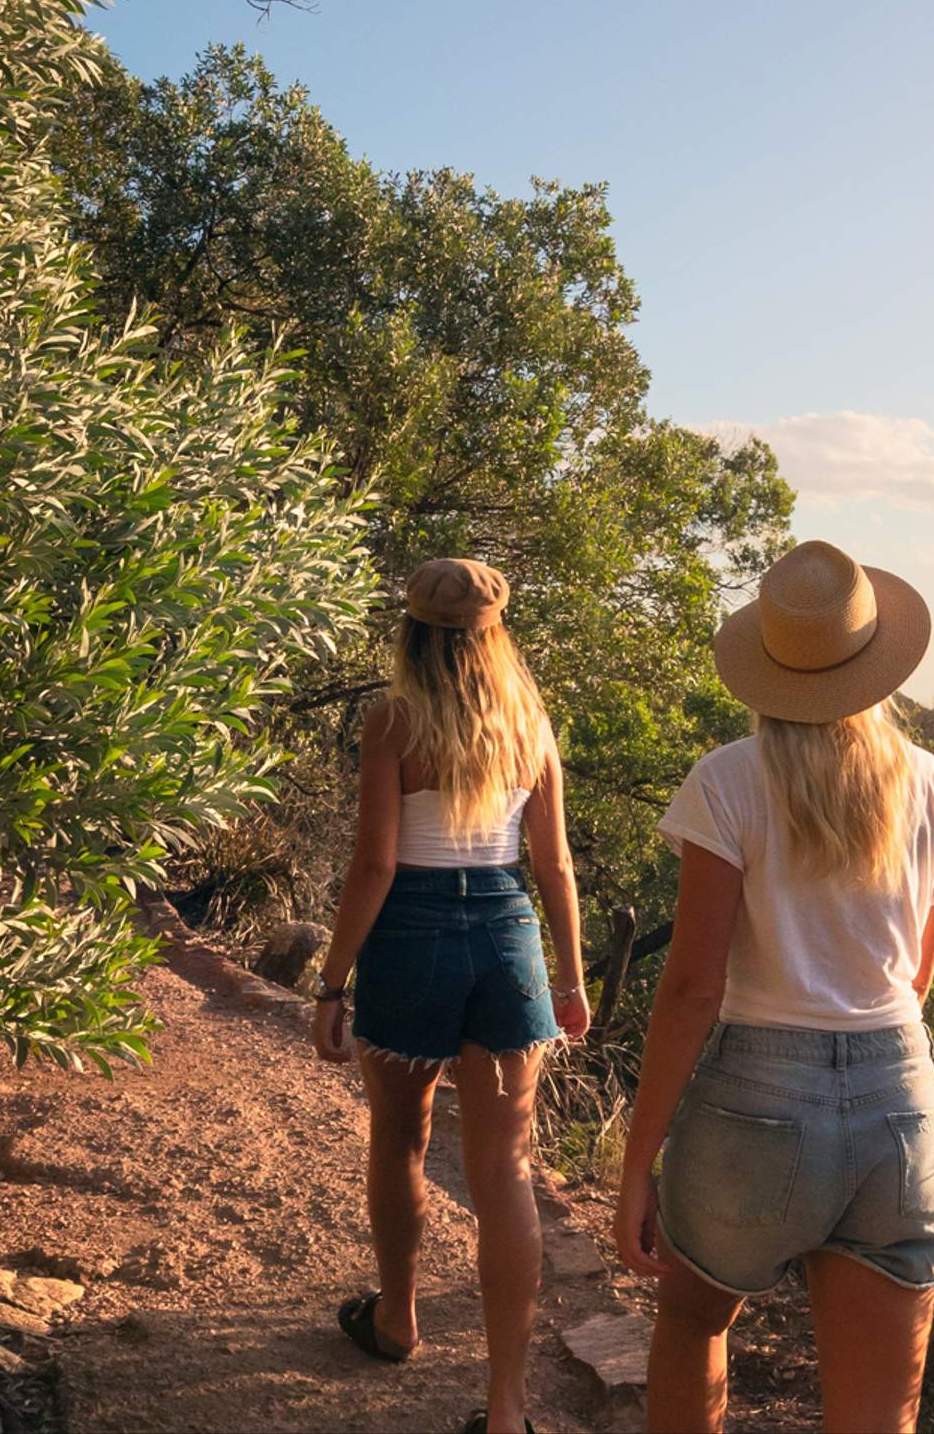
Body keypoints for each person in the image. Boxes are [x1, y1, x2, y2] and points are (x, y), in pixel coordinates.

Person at [613, 541, 934, 1434]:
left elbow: (694, 987)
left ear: (768, 668)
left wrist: (637, 1164)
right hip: (899, 1103)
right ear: (878, 661)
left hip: (755, 1103)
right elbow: (917, 973)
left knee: (696, 1324)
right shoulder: (929, 785)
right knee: (874, 1416)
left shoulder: (728, 780)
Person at [311, 558, 587, 1434]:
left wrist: (330, 982)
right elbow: (553, 865)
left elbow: (376, 864)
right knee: (504, 1169)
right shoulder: (528, 722)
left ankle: (397, 1318)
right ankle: (507, 1407)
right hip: (509, 937)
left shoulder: (392, 720)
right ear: (495, 633)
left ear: (413, 632)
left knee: (401, 1137)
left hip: (411, 935)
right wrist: (572, 981)